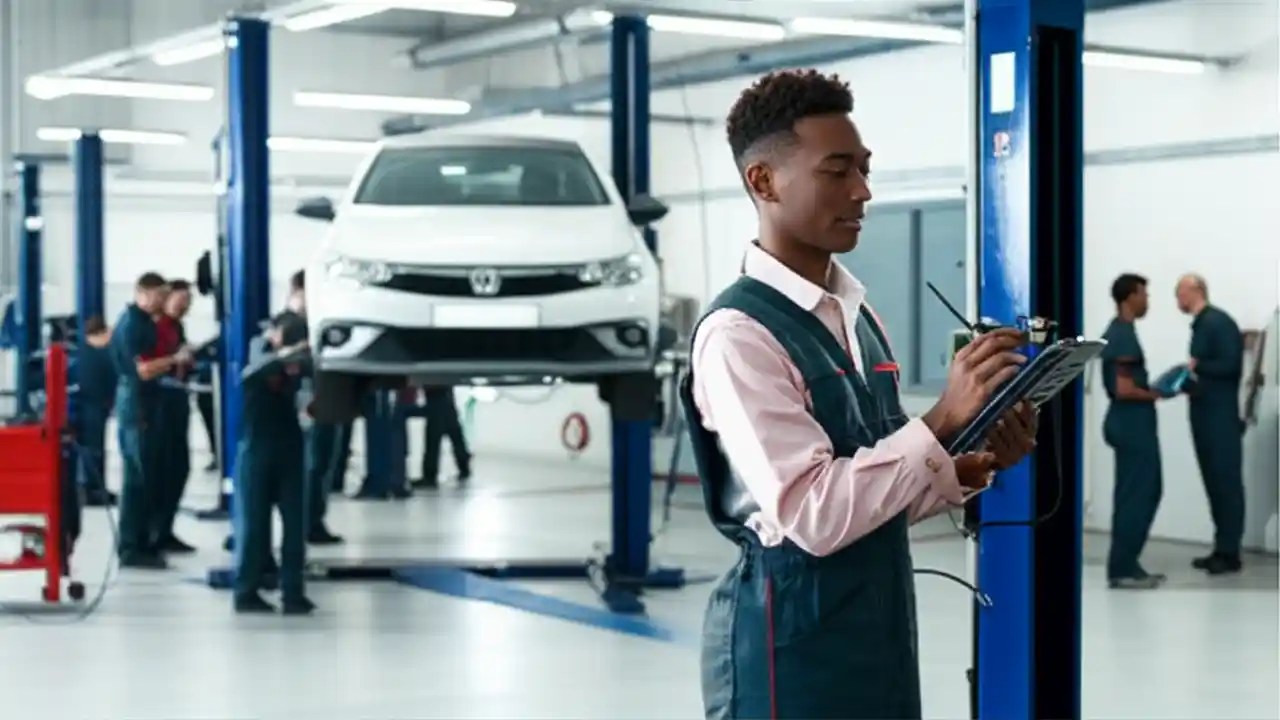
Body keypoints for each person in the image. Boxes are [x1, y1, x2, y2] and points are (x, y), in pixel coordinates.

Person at [680, 69, 1038, 719]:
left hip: (875, 632)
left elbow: (867, 497)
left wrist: (961, 467)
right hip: (787, 649)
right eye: (837, 171)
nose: (863, 191)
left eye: (865, 169)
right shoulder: (738, 335)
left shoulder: (855, 315)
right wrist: (938, 422)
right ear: (763, 181)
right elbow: (813, 514)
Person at [232, 310, 315, 614]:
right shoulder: (260, 352)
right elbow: (252, 372)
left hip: (291, 448)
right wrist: (286, 353)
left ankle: (293, 592)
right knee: (255, 526)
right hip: (256, 448)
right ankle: (246, 590)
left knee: (296, 525)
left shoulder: (304, 366)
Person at [110, 272, 190, 570]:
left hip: (146, 405)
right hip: (137, 406)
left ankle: (144, 542)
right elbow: (142, 370)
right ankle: (131, 547)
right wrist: (174, 359)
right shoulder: (133, 326)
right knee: (138, 481)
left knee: (148, 478)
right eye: (159, 295)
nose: (162, 301)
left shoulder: (145, 324)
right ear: (142, 293)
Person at [1100, 274, 1166, 589]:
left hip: (1132, 422)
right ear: (1129, 297)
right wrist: (1158, 392)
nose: (1148, 300)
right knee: (1136, 494)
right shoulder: (1122, 336)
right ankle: (1122, 569)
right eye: (1144, 294)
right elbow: (1124, 388)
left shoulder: (1123, 333)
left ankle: (1127, 564)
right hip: (1130, 423)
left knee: (1143, 491)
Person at [1176, 273, 1245, 575]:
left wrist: (1197, 366)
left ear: (1194, 290)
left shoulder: (1218, 322)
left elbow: (1231, 366)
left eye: (1179, 293)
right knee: (1215, 484)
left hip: (1219, 419)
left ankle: (1230, 552)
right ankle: (1222, 548)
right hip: (1206, 416)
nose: (1177, 300)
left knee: (1226, 484)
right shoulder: (1204, 324)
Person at [286, 270, 344, 544]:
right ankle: (308, 522)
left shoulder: (319, 322)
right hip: (310, 401)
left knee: (323, 464)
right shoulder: (291, 325)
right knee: (314, 464)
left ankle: (314, 520)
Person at [152, 279, 196, 554]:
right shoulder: (156, 328)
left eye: (188, 302)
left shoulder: (177, 328)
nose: (184, 306)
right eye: (180, 300)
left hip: (177, 398)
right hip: (160, 404)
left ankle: (166, 528)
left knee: (179, 466)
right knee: (163, 467)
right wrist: (175, 359)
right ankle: (156, 530)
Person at [76, 315, 117, 507]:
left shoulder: (83, 354)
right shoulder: (98, 356)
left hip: (91, 406)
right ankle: (94, 490)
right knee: (94, 450)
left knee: (92, 449)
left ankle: (94, 488)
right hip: (93, 407)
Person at [415, 385, 472, 490]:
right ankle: (464, 467)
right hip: (446, 397)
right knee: (454, 434)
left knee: (433, 439)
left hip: (436, 397)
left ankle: (430, 476)